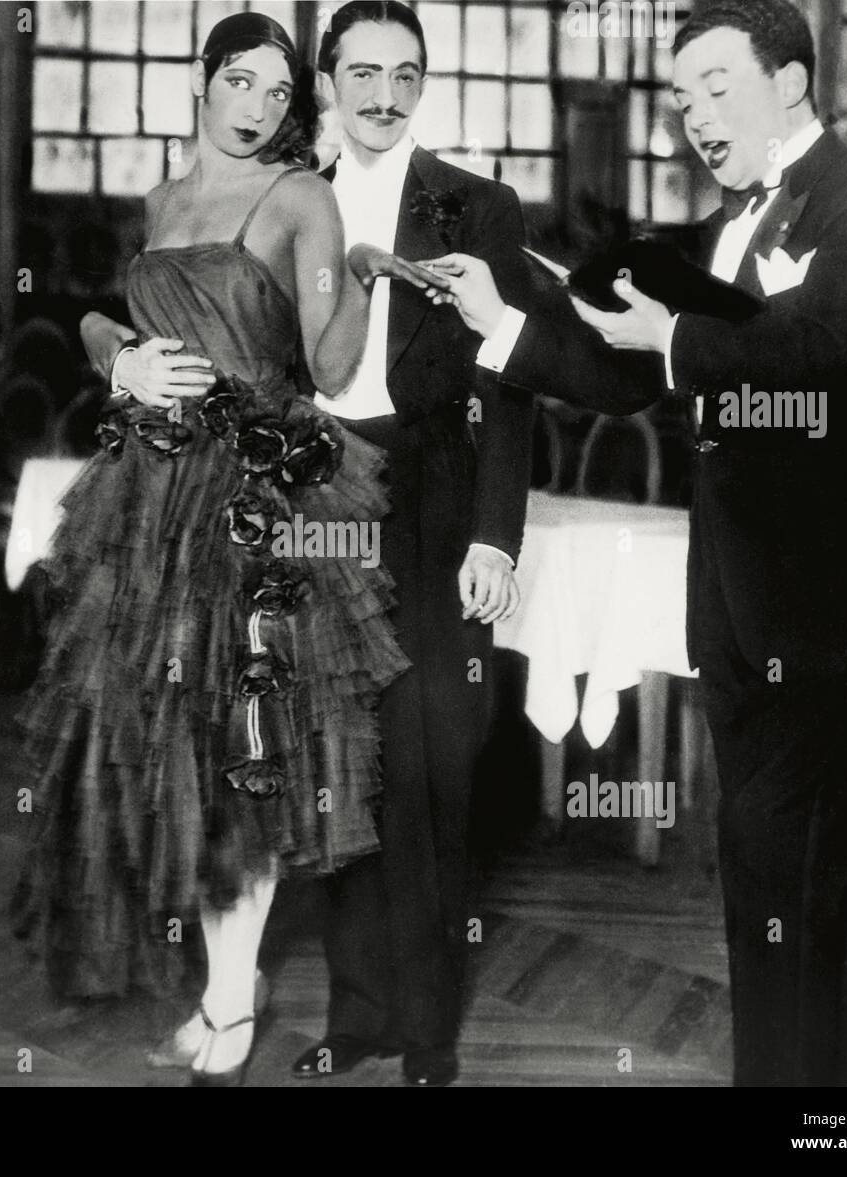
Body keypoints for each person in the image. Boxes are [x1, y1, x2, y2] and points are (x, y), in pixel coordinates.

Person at [435, 0, 847, 1086]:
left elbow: (833, 341)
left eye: (716, 86)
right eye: (680, 96)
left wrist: (676, 335)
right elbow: (630, 373)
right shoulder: (732, 226)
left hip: (840, 613)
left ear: (789, 83)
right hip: (739, 608)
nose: (692, 115)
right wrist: (502, 320)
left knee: (793, 890)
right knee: (782, 894)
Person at [11, 12, 442, 1087]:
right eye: (239, 83)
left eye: (276, 92)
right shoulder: (159, 200)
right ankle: (229, 987)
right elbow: (102, 322)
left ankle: (229, 999)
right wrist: (115, 358)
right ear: (200, 81)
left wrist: (360, 273)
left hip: (257, 495)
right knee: (175, 743)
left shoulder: (301, 197)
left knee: (245, 750)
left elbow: (333, 371)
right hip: (147, 496)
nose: (256, 107)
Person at [284, 1, 534, 1089]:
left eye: (405, 74)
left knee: (431, 767)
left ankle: (429, 1034)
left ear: (423, 82)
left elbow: (512, 382)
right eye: (362, 73)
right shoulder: (295, 201)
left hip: (434, 503)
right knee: (342, 764)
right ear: (327, 80)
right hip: (319, 493)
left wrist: (495, 535)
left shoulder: (477, 205)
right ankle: (360, 1012)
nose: (384, 95)